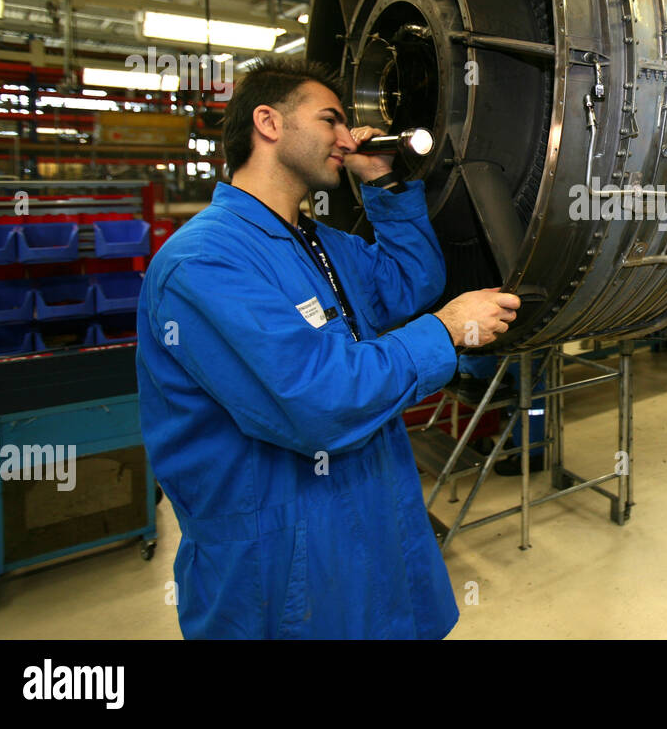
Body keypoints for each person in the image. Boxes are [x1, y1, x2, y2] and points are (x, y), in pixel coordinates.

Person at [136, 58, 519, 639]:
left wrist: (383, 184)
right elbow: (317, 400)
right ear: (268, 123)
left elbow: (411, 281)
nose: (347, 138)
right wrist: (443, 331)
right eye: (330, 120)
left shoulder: (321, 245)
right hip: (283, 574)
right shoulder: (206, 262)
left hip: (371, 539)